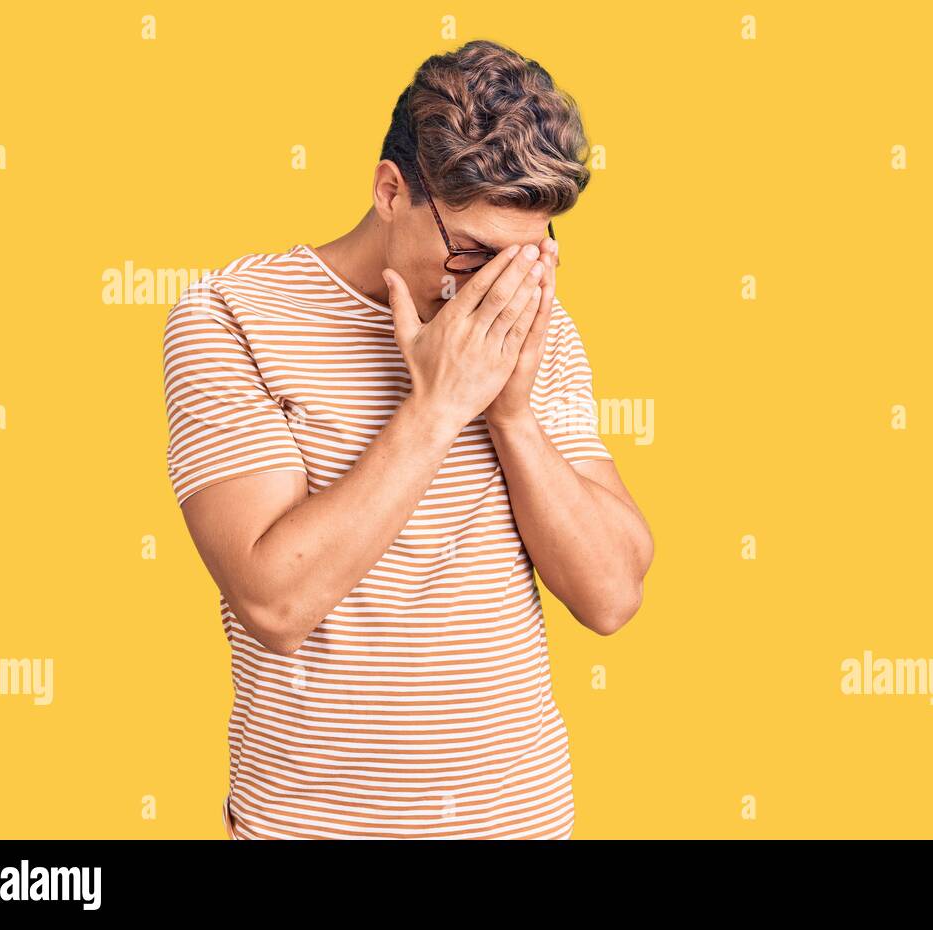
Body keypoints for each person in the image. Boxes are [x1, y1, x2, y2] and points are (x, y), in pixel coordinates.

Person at [161, 39, 653, 839]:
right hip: (310, 826)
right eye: (473, 253)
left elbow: (610, 597)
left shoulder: (534, 326)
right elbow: (275, 600)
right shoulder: (230, 318)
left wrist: (510, 415)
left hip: (519, 822)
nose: (495, 288)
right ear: (391, 190)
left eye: (529, 256)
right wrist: (436, 408)